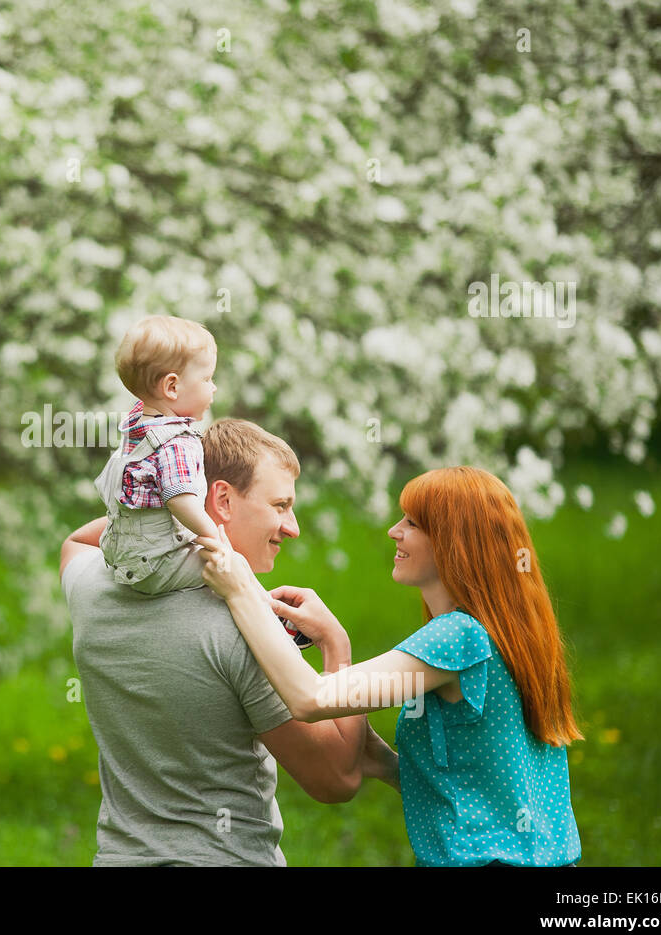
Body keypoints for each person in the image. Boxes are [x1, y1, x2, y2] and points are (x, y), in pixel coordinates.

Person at [198, 466, 583, 866]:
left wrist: (241, 591)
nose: (394, 531)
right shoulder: (505, 633)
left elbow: (309, 699)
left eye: (413, 523)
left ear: (455, 542)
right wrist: (381, 761)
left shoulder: (458, 637)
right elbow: (479, 784)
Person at [61, 418, 399, 866]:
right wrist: (337, 647)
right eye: (280, 505)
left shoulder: (92, 586)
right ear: (221, 499)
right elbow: (336, 779)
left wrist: (169, 516)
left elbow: (77, 541)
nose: (292, 527)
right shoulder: (244, 630)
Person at [93, 314, 221, 595]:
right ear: (172, 387)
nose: (213, 387)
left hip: (123, 557)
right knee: (232, 567)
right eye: (207, 378)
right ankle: (272, 618)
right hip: (157, 564)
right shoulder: (176, 443)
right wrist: (217, 540)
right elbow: (182, 503)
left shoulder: (137, 425)